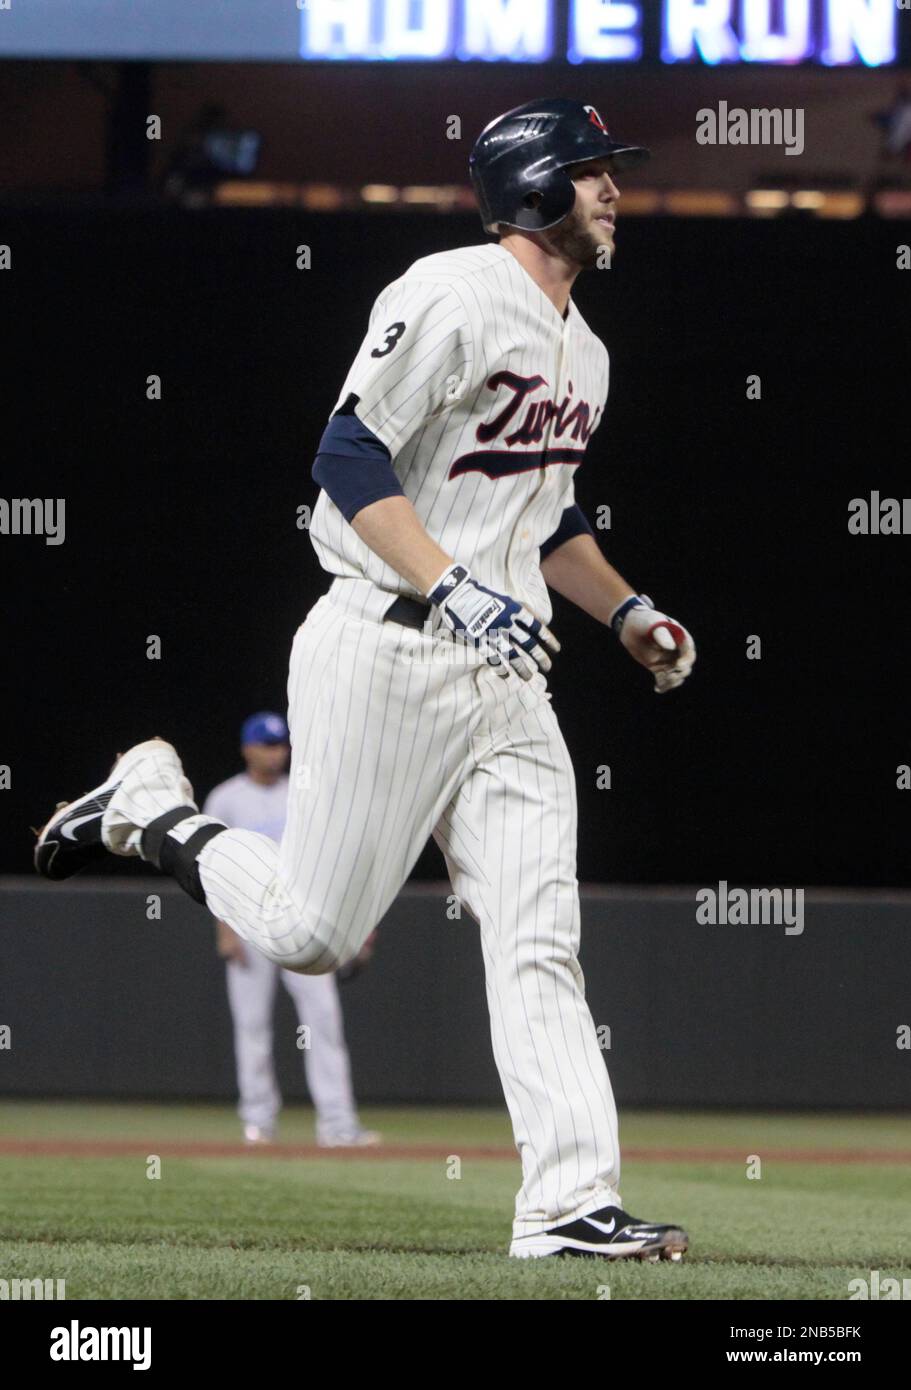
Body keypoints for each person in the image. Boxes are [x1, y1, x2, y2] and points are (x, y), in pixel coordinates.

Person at [36, 98, 695, 1261]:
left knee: (539, 936)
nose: (610, 189)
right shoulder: (444, 289)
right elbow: (346, 452)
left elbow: (546, 521)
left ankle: (564, 1205)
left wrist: (627, 608)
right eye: (589, 170)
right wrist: (448, 583)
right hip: (385, 640)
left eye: (606, 170)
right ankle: (146, 807)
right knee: (310, 934)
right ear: (533, 185)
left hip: (506, 675)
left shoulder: (583, 349)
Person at [204, 711, 379, 1149]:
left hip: (302, 919)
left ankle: (338, 1125)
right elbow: (212, 866)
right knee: (252, 1025)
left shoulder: (304, 794)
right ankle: (258, 1123)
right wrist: (224, 927)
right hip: (246, 920)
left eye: (281, 744)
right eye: (266, 744)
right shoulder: (225, 799)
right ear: (247, 748)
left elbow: (329, 861)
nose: (276, 752)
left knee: (323, 1021)